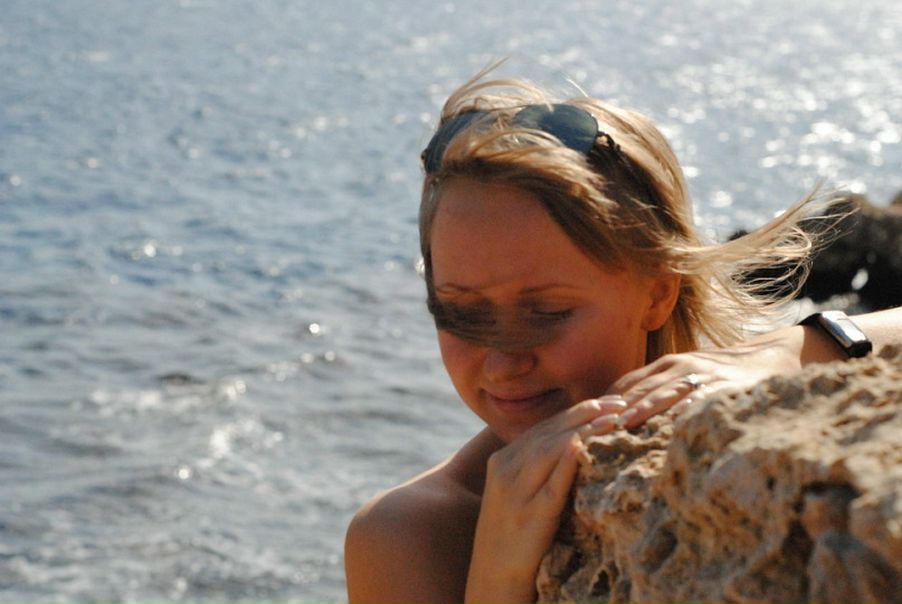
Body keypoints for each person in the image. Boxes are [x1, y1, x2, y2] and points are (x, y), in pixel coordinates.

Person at [344, 67, 902, 604]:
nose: (501, 364)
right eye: (461, 312)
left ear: (658, 292)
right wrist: (497, 578)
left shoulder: (745, 390)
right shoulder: (409, 535)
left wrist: (791, 346)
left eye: (545, 312)